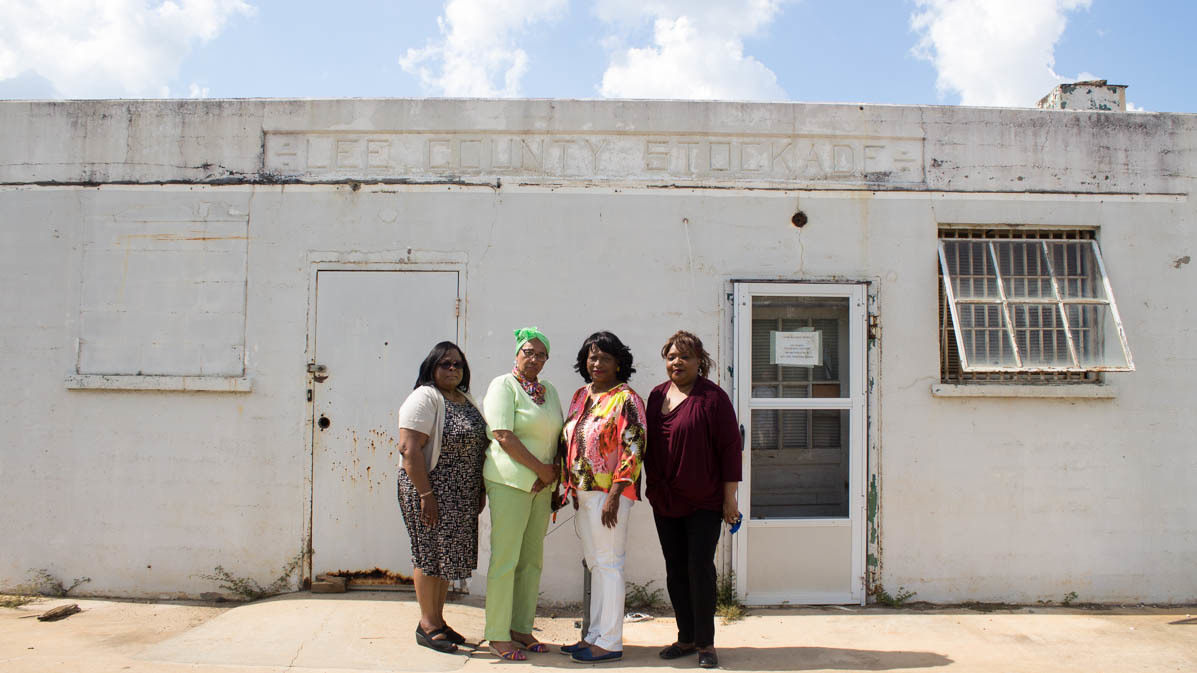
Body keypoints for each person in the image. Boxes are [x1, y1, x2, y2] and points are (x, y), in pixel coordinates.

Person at [644, 330, 742, 670]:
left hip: (704, 500)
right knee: (675, 570)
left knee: (700, 569)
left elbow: (730, 450)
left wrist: (730, 499)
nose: (677, 362)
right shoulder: (656, 396)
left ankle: (706, 643)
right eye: (671, 356)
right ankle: (685, 637)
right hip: (665, 500)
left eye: (685, 356)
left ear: (700, 361)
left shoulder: (713, 399)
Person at [559, 331, 647, 664]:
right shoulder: (581, 395)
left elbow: (635, 446)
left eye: (605, 358)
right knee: (596, 564)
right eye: (592, 357)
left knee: (609, 564)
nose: (597, 363)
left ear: (619, 363)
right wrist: (569, 486)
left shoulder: (626, 398)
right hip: (583, 492)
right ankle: (594, 634)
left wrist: (615, 492)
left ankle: (610, 641)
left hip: (610, 494)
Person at [396, 341, 489, 654]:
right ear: (432, 368)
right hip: (429, 489)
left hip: (460, 493)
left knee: (445, 558)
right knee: (428, 554)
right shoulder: (424, 397)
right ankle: (427, 625)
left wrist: (478, 489)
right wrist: (426, 495)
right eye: (445, 364)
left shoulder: (463, 398)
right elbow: (409, 450)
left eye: (458, 365)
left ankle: (438, 620)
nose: (452, 369)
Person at [481, 327, 564, 661]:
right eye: (528, 351)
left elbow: (559, 433)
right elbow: (502, 434)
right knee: (506, 559)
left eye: (541, 354)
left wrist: (554, 473)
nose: (534, 359)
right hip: (511, 482)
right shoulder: (503, 386)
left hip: (543, 487)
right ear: (517, 353)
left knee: (531, 561)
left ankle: (520, 628)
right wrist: (540, 469)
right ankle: (498, 634)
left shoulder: (550, 391)